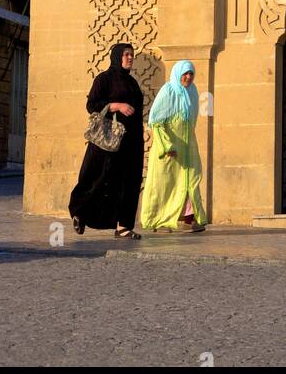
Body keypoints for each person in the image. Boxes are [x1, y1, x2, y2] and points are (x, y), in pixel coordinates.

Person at [68, 42, 144, 239]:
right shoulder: (104, 79)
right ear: (117, 56)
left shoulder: (133, 83)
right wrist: (116, 105)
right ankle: (80, 213)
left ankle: (123, 226)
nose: (129, 58)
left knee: (128, 182)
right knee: (98, 178)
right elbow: (92, 104)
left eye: (131, 55)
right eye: (126, 54)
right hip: (107, 142)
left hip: (130, 142)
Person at [140, 59, 207, 233]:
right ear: (178, 74)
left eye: (191, 73)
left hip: (187, 147)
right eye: (185, 73)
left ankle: (188, 219)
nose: (188, 77)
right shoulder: (168, 91)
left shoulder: (192, 91)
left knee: (190, 181)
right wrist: (166, 146)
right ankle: (160, 221)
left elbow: (190, 121)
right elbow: (156, 122)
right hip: (169, 149)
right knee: (165, 183)